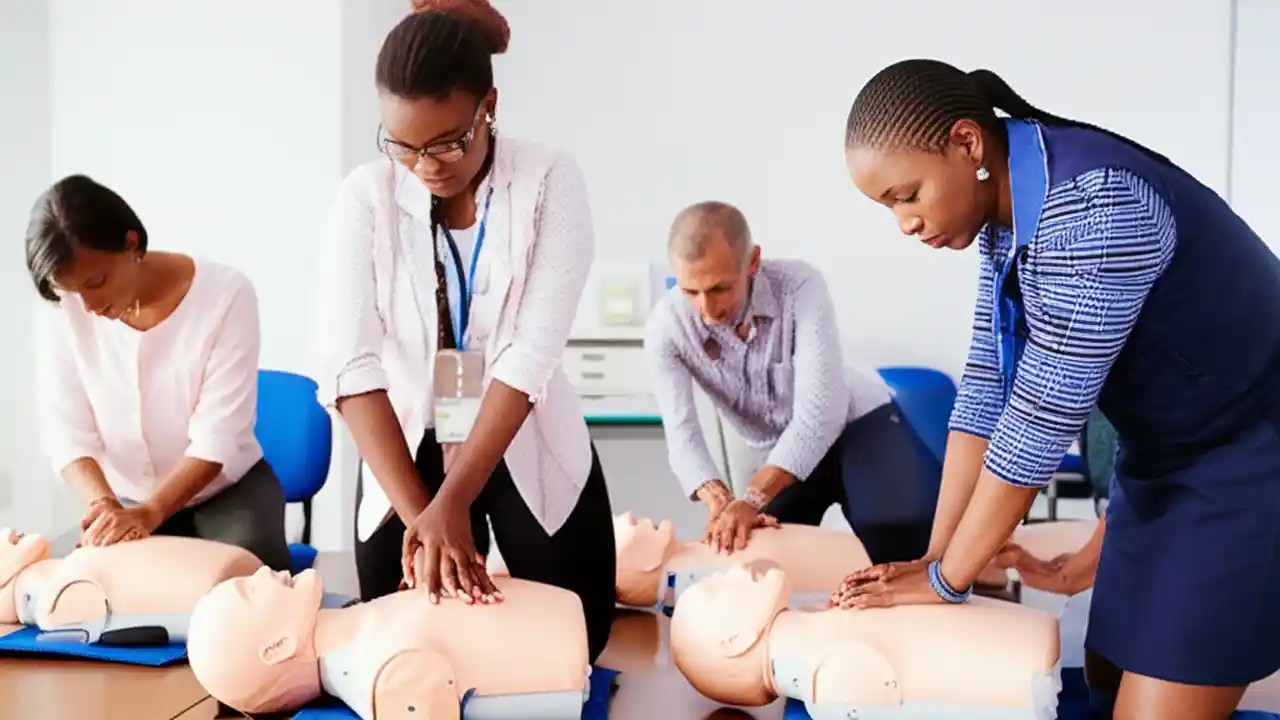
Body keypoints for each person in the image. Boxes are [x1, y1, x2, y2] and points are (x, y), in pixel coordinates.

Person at [834, 59, 1280, 718]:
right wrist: (936, 556)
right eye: (888, 207)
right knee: (1103, 682)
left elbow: (1038, 423)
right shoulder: (1007, 213)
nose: (905, 223)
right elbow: (987, 387)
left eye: (907, 195)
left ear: (965, 143)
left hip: (1254, 466)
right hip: (1167, 455)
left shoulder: (1096, 207)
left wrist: (945, 580)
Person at [313, 0, 615, 661]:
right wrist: (426, 517)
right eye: (404, 146)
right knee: (401, 643)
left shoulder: (548, 179)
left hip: (518, 426)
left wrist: (454, 501)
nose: (426, 165)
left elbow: (529, 354)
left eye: (449, 141)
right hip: (405, 434)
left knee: (578, 641)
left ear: (490, 106)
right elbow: (350, 364)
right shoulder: (363, 197)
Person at [645, 201, 940, 563]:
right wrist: (718, 498)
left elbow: (821, 415)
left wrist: (751, 498)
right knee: (756, 554)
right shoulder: (666, 328)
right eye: (691, 291)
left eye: (721, 287)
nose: (707, 309)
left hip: (854, 424)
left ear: (752, 262)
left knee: (895, 533)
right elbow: (682, 433)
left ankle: (985, 564)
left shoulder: (800, 285)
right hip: (776, 453)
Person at [26, 175, 290, 571]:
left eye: (96, 282)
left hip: (225, 491)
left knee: (246, 582)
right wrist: (104, 505)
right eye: (71, 292)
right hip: (123, 497)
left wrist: (152, 512)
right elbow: (67, 436)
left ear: (131, 244)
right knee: (84, 588)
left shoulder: (226, 294)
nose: (89, 305)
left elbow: (217, 438)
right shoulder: (63, 311)